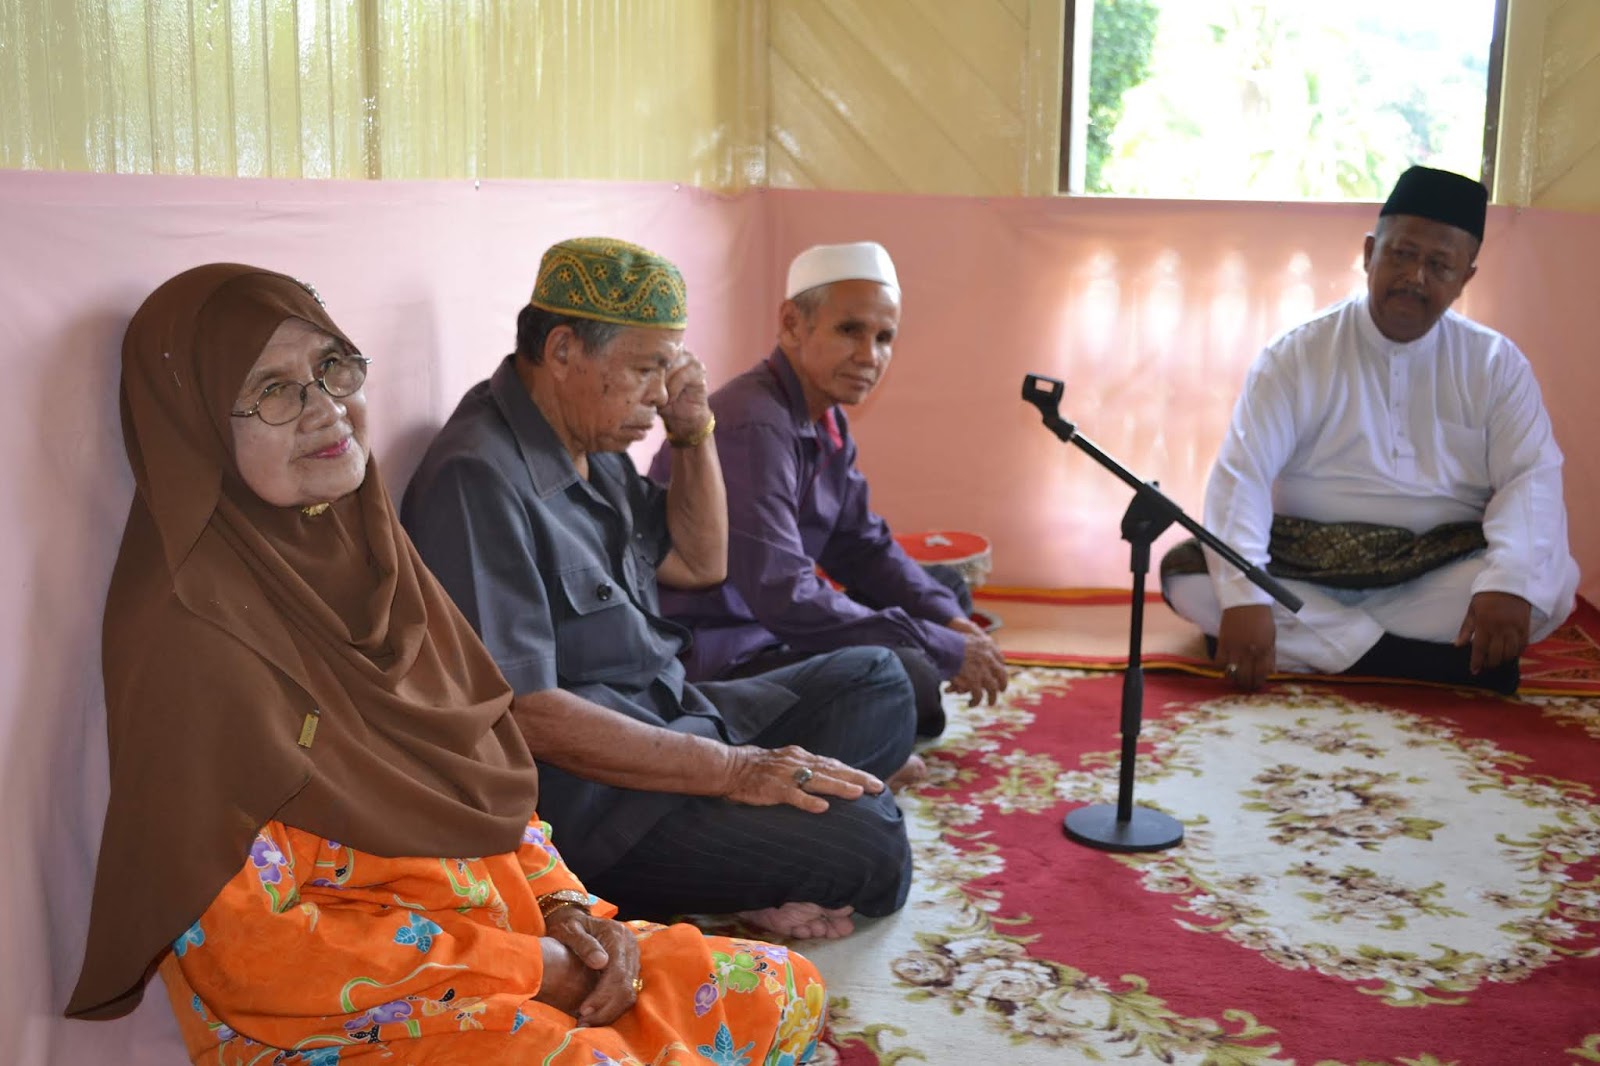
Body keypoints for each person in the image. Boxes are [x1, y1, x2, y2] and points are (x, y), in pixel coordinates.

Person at [65, 264, 828, 1064]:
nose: (326, 408)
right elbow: (247, 955)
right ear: (194, 426)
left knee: (781, 986)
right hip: (347, 1010)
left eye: (332, 367)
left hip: (511, 931)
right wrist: (530, 968)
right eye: (273, 390)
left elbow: (490, 778)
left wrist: (566, 911)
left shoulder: (379, 566)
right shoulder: (193, 641)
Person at [401, 238, 916, 943]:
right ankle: (727, 874)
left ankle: (747, 866)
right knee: (874, 844)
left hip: (671, 717)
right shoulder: (477, 478)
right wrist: (735, 772)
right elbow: (525, 713)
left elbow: (700, 563)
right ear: (562, 351)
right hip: (600, 806)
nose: (659, 393)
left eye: (668, 370)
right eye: (646, 369)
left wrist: (693, 430)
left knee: (882, 682)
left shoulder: (595, 438)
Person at [1160, 166, 1580, 695]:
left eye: (1439, 265)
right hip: (1306, 562)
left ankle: (1319, 645)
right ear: (1368, 254)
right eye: (1402, 254)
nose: (1415, 278)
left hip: (1435, 568)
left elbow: (1530, 477)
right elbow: (1241, 475)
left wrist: (1508, 583)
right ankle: (1426, 661)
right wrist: (1246, 597)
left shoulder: (1496, 364)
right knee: (1189, 576)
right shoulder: (1295, 354)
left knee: (1548, 582)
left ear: (1465, 279)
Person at [648, 241, 1007, 739]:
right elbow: (784, 596)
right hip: (725, 656)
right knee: (902, 675)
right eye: (849, 330)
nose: (869, 356)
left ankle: (883, 725)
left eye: (884, 338)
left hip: (777, 628)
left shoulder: (824, 417)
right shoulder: (753, 424)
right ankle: (869, 736)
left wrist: (947, 624)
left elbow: (862, 545)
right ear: (792, 324)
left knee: (945, 593)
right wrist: (934, 645)